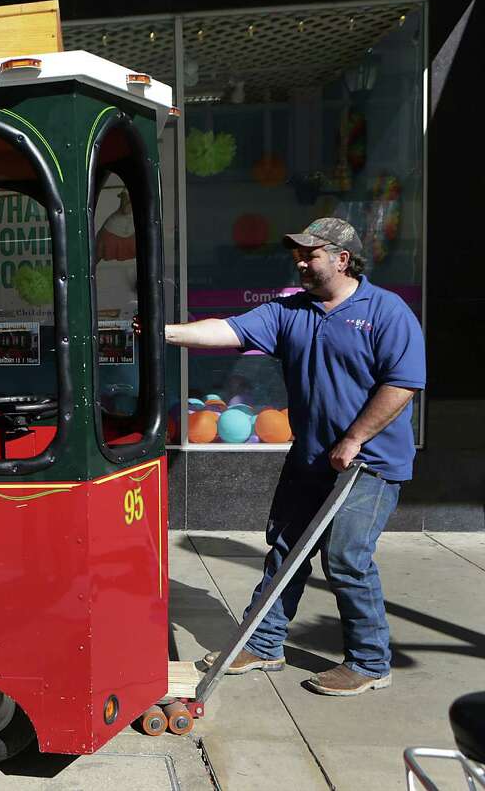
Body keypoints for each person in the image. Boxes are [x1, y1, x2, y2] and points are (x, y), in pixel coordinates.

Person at [166, 218, 425, 697]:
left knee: (346, 556)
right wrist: (166, 333)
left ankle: (370, 662)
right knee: (286, 548)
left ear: (343, 259)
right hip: (311, 458)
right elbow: (226, 330)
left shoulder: (387, 312)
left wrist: (354, 439)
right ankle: (263, 643)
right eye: (298, 255)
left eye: (312, 255)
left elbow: (403, 383)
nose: (301, 262)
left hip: (368, 463)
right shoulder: (292, 313)